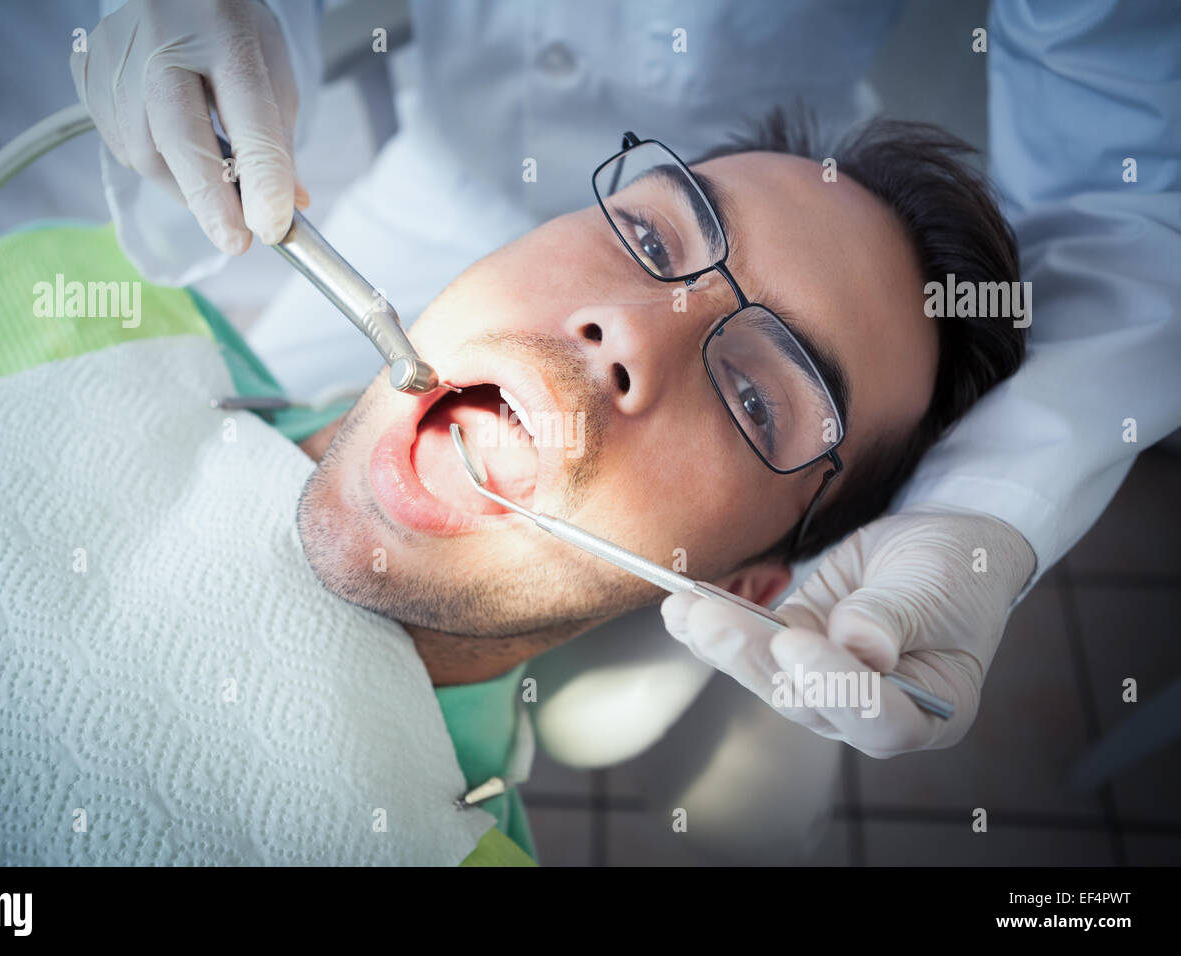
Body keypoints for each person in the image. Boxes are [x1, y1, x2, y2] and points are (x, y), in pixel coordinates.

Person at [70, 0, 1181, 755]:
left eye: (758, 396)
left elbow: (1141, 194)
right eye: (657, 245)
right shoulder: (85, 341)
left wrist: (990, 510)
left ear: (753, 583)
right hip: (445, 164)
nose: (625, 335)